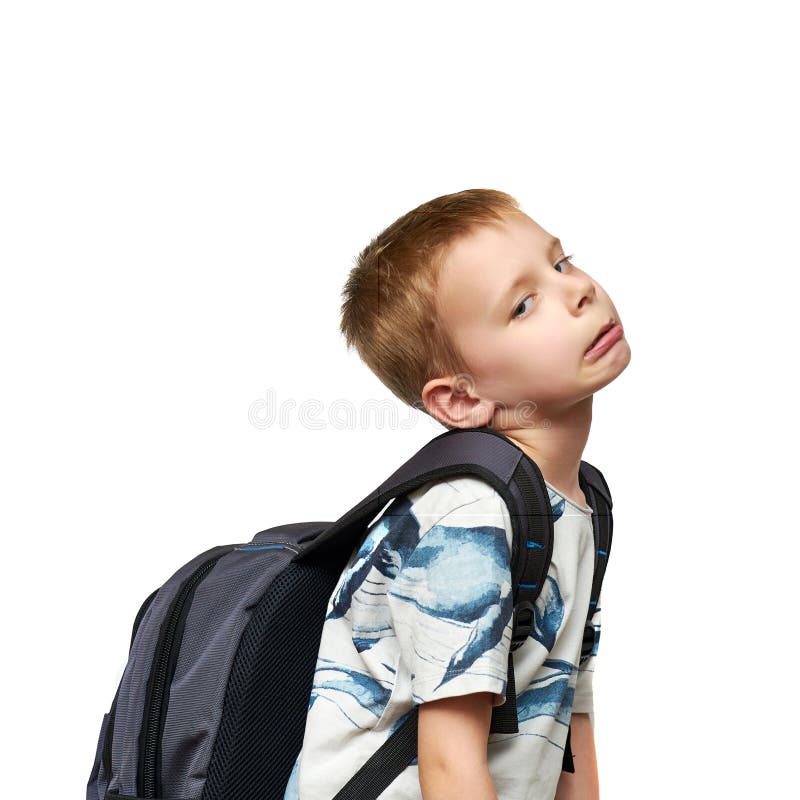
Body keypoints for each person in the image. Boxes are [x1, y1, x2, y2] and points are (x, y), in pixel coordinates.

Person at [282, 188, 631, 800]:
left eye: (560, 261)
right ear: (461, 399)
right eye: (523, 305)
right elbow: (449, 766)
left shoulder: (582, 500)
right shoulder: (468, 517)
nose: (578, 290)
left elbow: (567, 712)